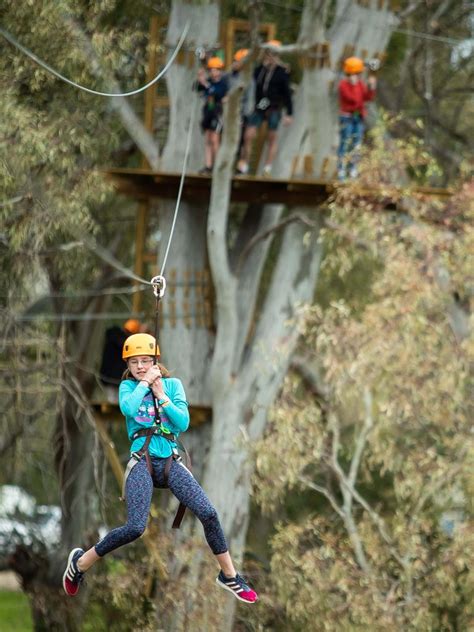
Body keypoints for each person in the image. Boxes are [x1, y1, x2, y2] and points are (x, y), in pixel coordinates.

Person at [63, 333, 258, 604]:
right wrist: (144, 383)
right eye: (134, 362)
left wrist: (161, 394)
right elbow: (129, 409)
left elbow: (183, 423)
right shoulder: (128, 388)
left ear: (156, 360)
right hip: (141, 461)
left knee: (209, 514)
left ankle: (228, 575)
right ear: (128, 365)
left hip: (169, 461)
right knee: (134, 527)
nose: (140, 366)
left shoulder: (173, 385)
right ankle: (80, 563)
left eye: (145, 361)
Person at [236, 40, 293, 176]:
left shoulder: (282, 72)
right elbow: (252, 79)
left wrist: (289, 113)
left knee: (272, 136)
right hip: (260, 104)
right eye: (268, 54)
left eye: (273, 54)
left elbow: (287, 94)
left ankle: (268, 167)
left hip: (274, 105)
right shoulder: (260, 70)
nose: (270, 57)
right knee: (249, 134)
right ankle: (244, 163)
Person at [337, 56, 377, 181]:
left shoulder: (360, 84)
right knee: (345, 142)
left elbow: (368, 98)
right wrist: (354, 85)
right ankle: (341, 169)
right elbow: (354, 100)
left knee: (356, 145)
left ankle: (353, 169)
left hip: (358, 118)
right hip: (347, 117)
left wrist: (371, 87)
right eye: (356, 73)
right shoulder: (343, 85)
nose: (357, 76)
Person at [196, 56, 229, 174]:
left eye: (216, 69)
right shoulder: (208, 82)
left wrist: (205, 84)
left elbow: (218, 94)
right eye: (211, 70)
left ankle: (217, 165)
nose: (213, 72)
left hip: (217, 112)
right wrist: (200, 79)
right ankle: (208, 165)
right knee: (207, 139)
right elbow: (197, 88)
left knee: (215, 139)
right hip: (207, 112)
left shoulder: (223, 83)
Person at [99, 319, 143, 404]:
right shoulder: (122, 341)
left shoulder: (114, 338)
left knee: (114, 401)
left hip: (111, 377)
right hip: (113, 378)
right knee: (117, 402)